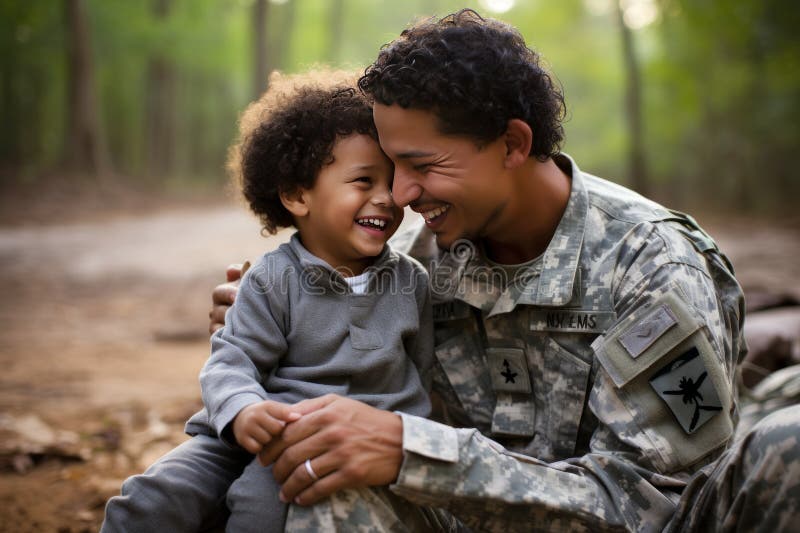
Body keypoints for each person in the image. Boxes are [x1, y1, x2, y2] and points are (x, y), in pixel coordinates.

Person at [210, 9, 800, 532]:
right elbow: (330, 376)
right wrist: (277, 319)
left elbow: (651, 506)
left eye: (422, 165)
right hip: (467, 516)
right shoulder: (419, 260)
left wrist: (413, 452)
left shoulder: (650, 267)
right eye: (391, 167)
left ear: (513, 144)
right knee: (328, 486)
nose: (401, 194)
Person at [102, 72, 436, 532]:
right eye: (363, 181)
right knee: (151, 497)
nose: (386, 198)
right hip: (248, 429)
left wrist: (410, 440)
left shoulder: (411, 283)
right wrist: (244, 410)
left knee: (263, 504)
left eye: (392, 183)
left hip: (344, 445)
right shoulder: (271, 279)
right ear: (298, 195)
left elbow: (427, 378)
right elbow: (231, 362)